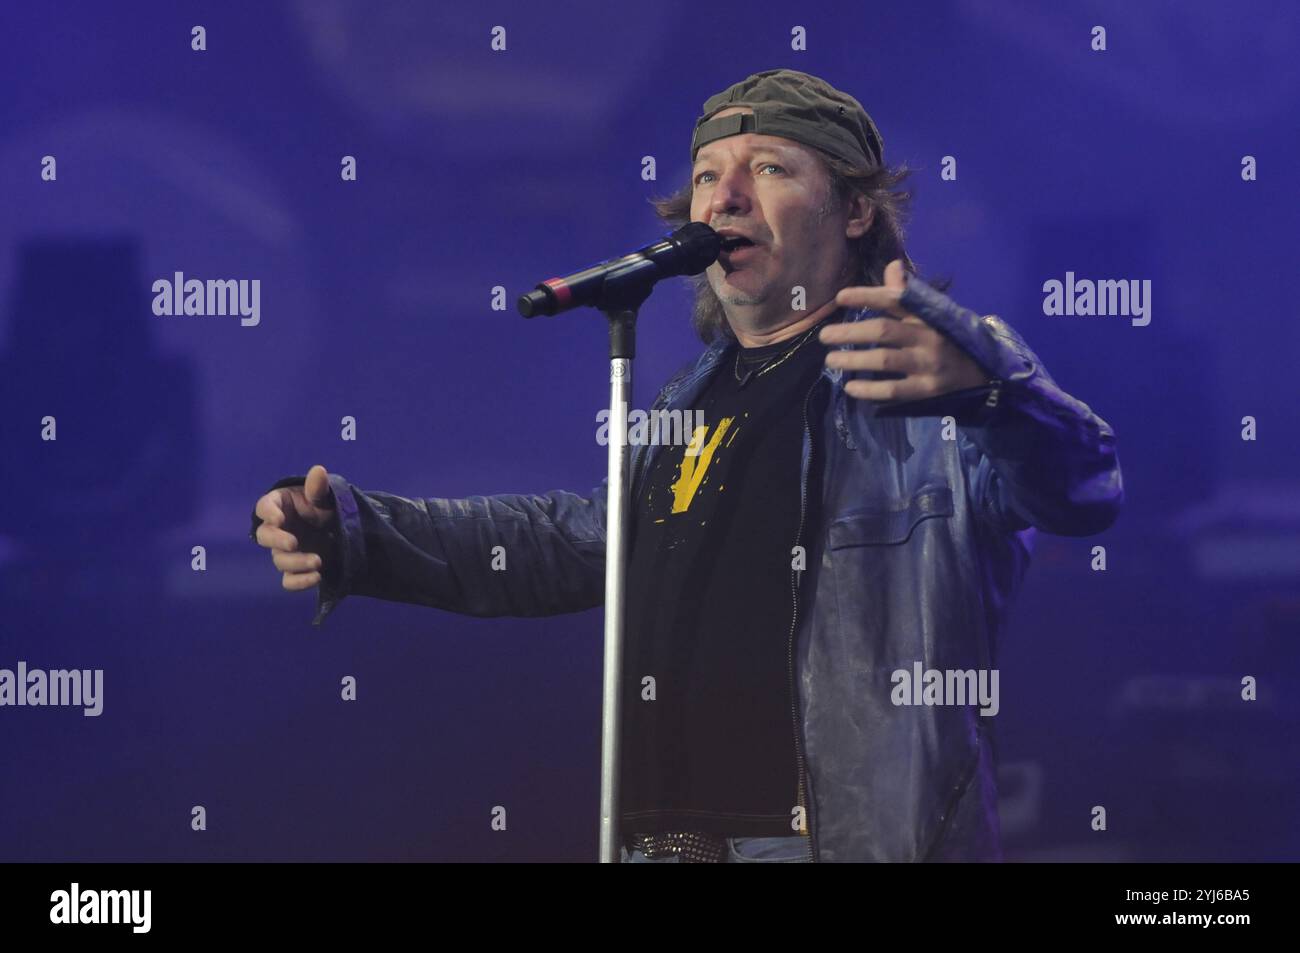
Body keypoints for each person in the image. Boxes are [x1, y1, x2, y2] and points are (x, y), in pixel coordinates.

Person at [250, 69, 1123, 863]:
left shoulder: (921, 383)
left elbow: (1083, 489)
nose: (726, 196)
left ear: (855, 211)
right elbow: (572, 540)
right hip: (661, 849)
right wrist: (358, 533)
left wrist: (998, 389)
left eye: (771, 168)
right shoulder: (684, 402)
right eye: (708, 175)